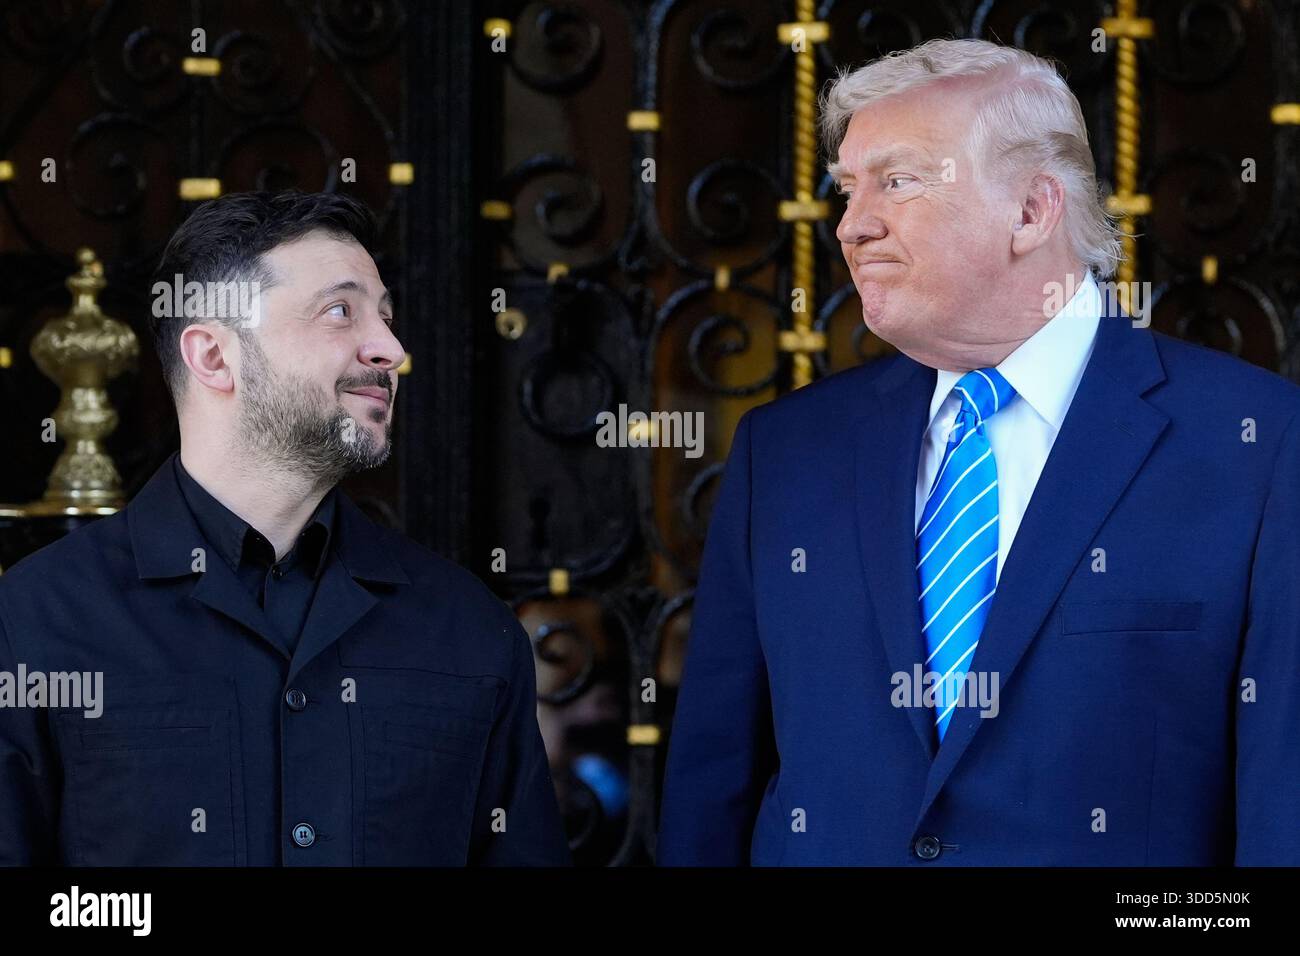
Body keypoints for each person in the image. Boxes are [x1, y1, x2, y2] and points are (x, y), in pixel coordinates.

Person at [658, 38, 1300, 866]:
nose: (852, 226)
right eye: (849, 190)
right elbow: (713, 792)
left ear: (1032, 212)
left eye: (898, 181)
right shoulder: (784, 452)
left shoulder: (1259, 445)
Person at [0, 191, 571, 866]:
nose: (390, 347)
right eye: (341, 311)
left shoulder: (470, 628)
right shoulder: (39, 620)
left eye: (385, 316)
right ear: (213, 356)